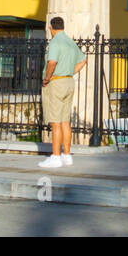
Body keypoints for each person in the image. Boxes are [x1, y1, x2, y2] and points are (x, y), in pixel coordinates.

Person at [38, 17, 86, 168]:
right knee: (65, 120)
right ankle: (67, 155)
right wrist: (70, 72)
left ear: (51, 27)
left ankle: (56, 156)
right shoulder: (70, 42)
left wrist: (47, 78)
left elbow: (52, 62)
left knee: (55, 121)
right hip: (68, 81)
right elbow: (84, 60)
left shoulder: (55, 42)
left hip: (56, 82)